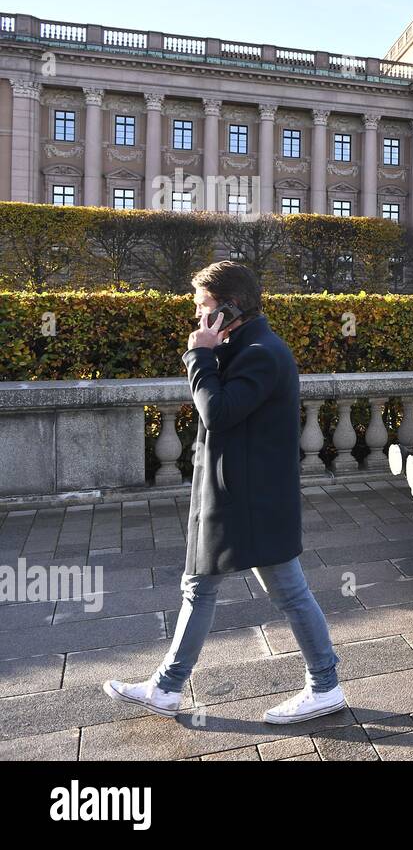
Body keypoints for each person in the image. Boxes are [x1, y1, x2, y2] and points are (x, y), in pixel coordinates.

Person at [104, 262, 345, 724]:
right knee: (200, 586)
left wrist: (198, 356)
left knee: (287, 593)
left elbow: (217, 412)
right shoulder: (244, 344)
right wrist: (209, 354)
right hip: (239, 495)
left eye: (204, 308)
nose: (197, 318)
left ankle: (325, 685)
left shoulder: (260, 351)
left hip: (251, 501)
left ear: (230, 308)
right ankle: (168, 688)